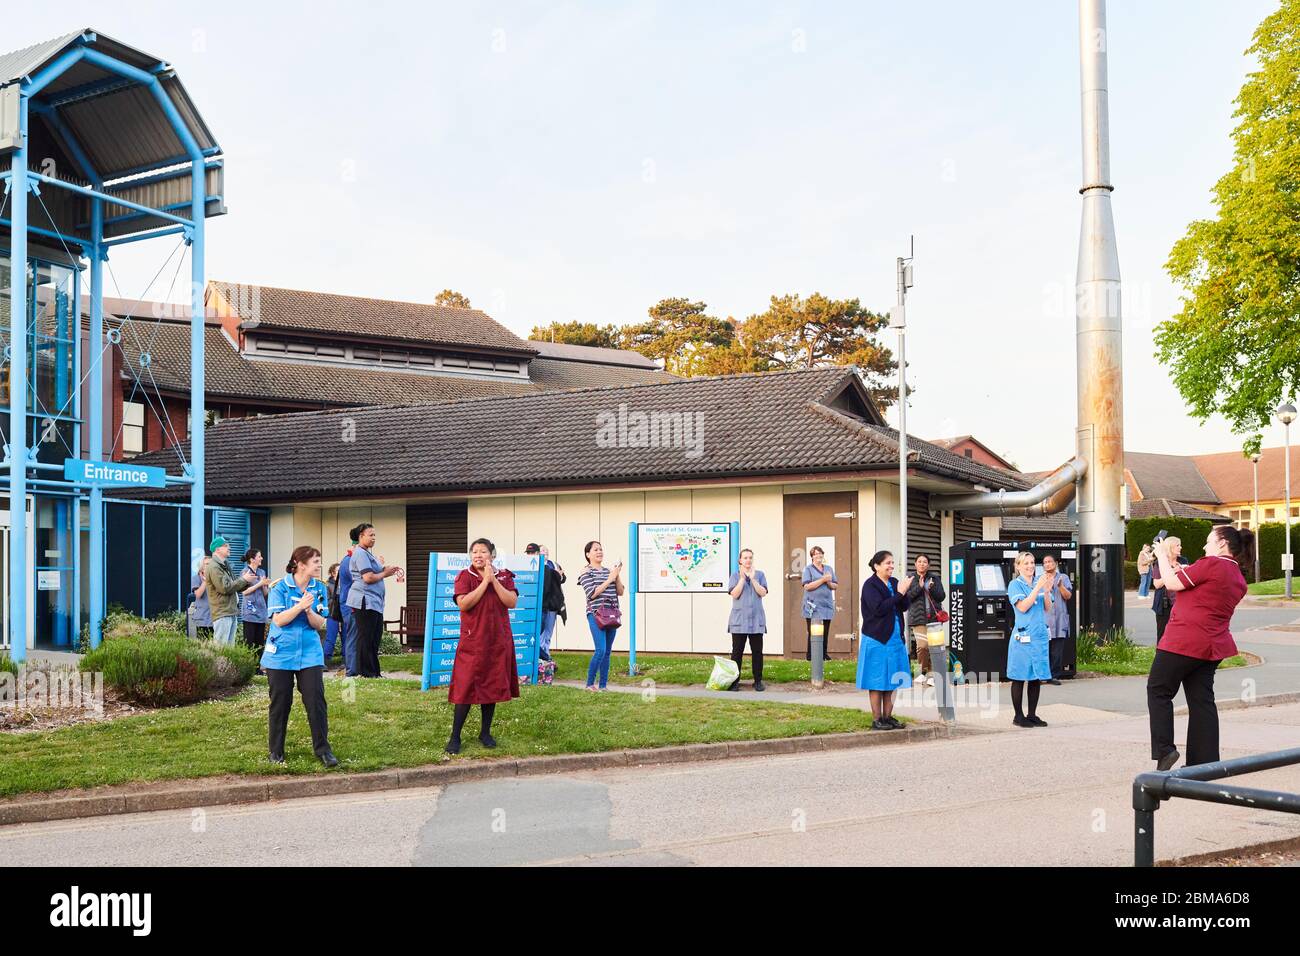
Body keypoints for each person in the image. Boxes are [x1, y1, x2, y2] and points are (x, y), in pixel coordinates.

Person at [1147, 525, 1253, 771]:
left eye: (1208, 542)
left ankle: (1165, 750)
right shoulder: (1238, 577)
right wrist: (1181, 568)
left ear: (1223, 543)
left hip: (1183, 640)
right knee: (1201, 701)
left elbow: (1171, 584)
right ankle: (1203, 764)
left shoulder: (1211, 564)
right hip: (1212, 645)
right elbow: (1205, 589)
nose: (1204, 547)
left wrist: (1162, 554)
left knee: (1158, 690)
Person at [264, 545, 337, 767]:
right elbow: (278, 620)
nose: (319, 565)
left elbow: (319, 624)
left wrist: (308, 610)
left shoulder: (320, 588)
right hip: (281, 653)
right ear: (301, 564)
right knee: (280, 703)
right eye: (316, 561)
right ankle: (276, 751)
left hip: (310, 652)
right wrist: (299, 607)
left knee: (316, 701)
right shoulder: (279, 587)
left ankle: (323, 750)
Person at [446, 538, 521, 754]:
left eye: (483, 551)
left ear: (492, 555)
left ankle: (485, 732)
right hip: (473, 641)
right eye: (474, 552)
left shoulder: (504, 575)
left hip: (498, 641)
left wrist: (493, 580)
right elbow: (464, 604)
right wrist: (483, 583)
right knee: (465, 688)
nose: (478, 555)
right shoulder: (464, 576)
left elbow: (511, 602)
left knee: (492, 686)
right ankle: (455, 736)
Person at [857, 550, 914, 730]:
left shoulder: (894, 582)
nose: (891, 566)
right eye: (887, 563)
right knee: (877, 680)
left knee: (892, 679)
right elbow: (879, 609)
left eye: (892, 563)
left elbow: (903, 606)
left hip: (895, 638)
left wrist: (905, 592)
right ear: (877, 566)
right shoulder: (870, 585)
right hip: (877, 638)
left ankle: (888, 717)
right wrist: (898, 594)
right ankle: (877, 719)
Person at [346, 523, 404, 678]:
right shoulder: (360, 553)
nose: (373, 538)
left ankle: (374, 672)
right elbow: (368, 577)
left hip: (375, 602)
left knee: (374, 637)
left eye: (374, 535)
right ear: (361, 536)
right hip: (365, 601)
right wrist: (385, 574)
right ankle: (365, 672)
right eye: (370, 535)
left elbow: (375, 573)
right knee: (366, 637)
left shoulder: (368, 553)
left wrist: (386, 570)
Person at [1006, 551, 1054, 728]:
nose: (1030, 566)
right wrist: (1037, 588)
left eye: (1033, 563)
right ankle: (1018, 716)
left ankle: (1032, 714)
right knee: (1019, 676)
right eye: (1026, 563)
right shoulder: (1015, 585)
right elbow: (1023, 607)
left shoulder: (1040, 582)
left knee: (1035, 676)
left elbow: (1048, 608)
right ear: (1018, 566)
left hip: (1039, 636)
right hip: (1023, 637)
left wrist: (1047, 592)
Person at [579, 540, 624, 691]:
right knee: (601, 650)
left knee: (607, 652)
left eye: (601, 549)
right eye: (595, 550)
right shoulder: (585, 572)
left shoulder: (608, 571)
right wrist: (610, 578)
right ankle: (590, 684)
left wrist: (616, 575)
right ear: (588, 554)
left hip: (612, 614)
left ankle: (603, 686)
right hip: (596, 615)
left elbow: (620, 591)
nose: (599, 552)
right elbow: (592, 593)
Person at [726, 548, 769, 692]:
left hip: (756, 620)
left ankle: (758, 681)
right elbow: (735, 594)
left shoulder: (760, 575)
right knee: (736, 652)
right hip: (739, 620)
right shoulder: (734, 576)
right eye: (745, 558)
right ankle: (734, 682)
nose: (748, 560)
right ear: (740, 560)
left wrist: (754, 580)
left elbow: (762, 592)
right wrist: (743, 579)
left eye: (750, 557)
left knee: (757, 652)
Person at [205, 536, 256, 645]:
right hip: (222, 613)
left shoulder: (224, 565)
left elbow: (235, 585)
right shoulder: (214, 567)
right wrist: (244, 579)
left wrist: (247, 581)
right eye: (226, 546)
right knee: (221, 650)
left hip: (230, 612)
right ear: (217, 549)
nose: (230, 548)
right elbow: (225, 588)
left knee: (228, 651)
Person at [904, 553, 945, 687]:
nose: (922, 564)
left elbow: (941, 597)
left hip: (934, 618)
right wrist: (920, 587)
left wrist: (931, 588)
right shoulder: (910, 578)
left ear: (928, 565)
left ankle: (933, 675)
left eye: (925, 562)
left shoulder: (934, 578)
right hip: (917, 619)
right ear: (915, 564)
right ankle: (921, 673)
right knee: (922, 646)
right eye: (919, 561)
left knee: (934, 646)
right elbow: (907, 597)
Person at [527, 543, 566, 664]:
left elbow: (562, 579)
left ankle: (545, 657)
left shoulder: (553, 565)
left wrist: (559, 575)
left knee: (546, 632)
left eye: (546, 551)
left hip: (550, 606)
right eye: (542, 551)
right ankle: (544, 658)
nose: (544, 553)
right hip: (538, 606)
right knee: (535, 633)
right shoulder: (530, 566)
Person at [801, 546, 837, 661]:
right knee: (813, 631)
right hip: (813, 605)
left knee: (825, 630)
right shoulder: (808, 569)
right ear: (812, 556)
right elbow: (807, 586)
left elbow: (835, 585)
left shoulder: (828, 569)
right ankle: (811, 655)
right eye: (816, 554)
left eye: (820, 553)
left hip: (826, 604)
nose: (819, 556)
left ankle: (823, 654)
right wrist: (822, 580)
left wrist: (829, 582)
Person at [1041, 554, 1073, 685]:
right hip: (1045, 619)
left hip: (1059, 619)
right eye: (1045, 562)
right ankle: (1043, 675)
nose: (1047, 564)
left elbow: (1068, 596)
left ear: (1055, 563)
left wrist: (1060, 586)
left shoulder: (1063, 577)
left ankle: (1054, 676)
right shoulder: (1039, 578)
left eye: (1049, 561)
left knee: (1056, 651)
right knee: (1044, 649)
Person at [1151, 536, 1190, 641]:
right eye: (1178, 545)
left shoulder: (1183, 560)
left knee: (1181, 634)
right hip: (1165, 605)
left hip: (1181, 603)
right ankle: (1161, 655)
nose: (1180, 547)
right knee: (1163, 634)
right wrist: (1174, 571)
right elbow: (1157, 584)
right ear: (1170, 547)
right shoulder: (1160, 562)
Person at [239, 548, 273, 659]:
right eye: (259, 556)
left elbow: (265, 593)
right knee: (249, 641)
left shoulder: (262, 572)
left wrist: (265, 585)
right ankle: (250, 666)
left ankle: (258, 667)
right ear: (252, 559)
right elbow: (244, 592)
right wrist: (260, 584)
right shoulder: (245, 572)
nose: (261, 558)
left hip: (261, 610)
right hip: (250, 611)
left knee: (259, 641)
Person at [337, 526, 361, 676]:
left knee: (357, 637)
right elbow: (360, 580)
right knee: (352, 638)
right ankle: (351, 670)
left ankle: (357, 668)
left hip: (354, 605)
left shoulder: (353, 559)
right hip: (350, 606)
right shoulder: (349, 561)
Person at [323, 562, 343, 665]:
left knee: (346, 638)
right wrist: (338, 599)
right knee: (331, 638)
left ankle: (346, 661)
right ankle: (325, 661)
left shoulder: (345, 584)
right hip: (333, 615)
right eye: (338, 570)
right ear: (333, 573)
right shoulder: (328, 585)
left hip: (344, 615)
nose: (341, 572)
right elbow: (327, 601)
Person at [189, 557, 213, 640]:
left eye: (211, 564)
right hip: (202, 618)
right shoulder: (196, 578)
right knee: (203, 646)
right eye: (206, 564)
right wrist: (205, 581)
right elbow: (198, 595)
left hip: (215, 618)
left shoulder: (215, 578)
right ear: (201, 566)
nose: (209, 566)